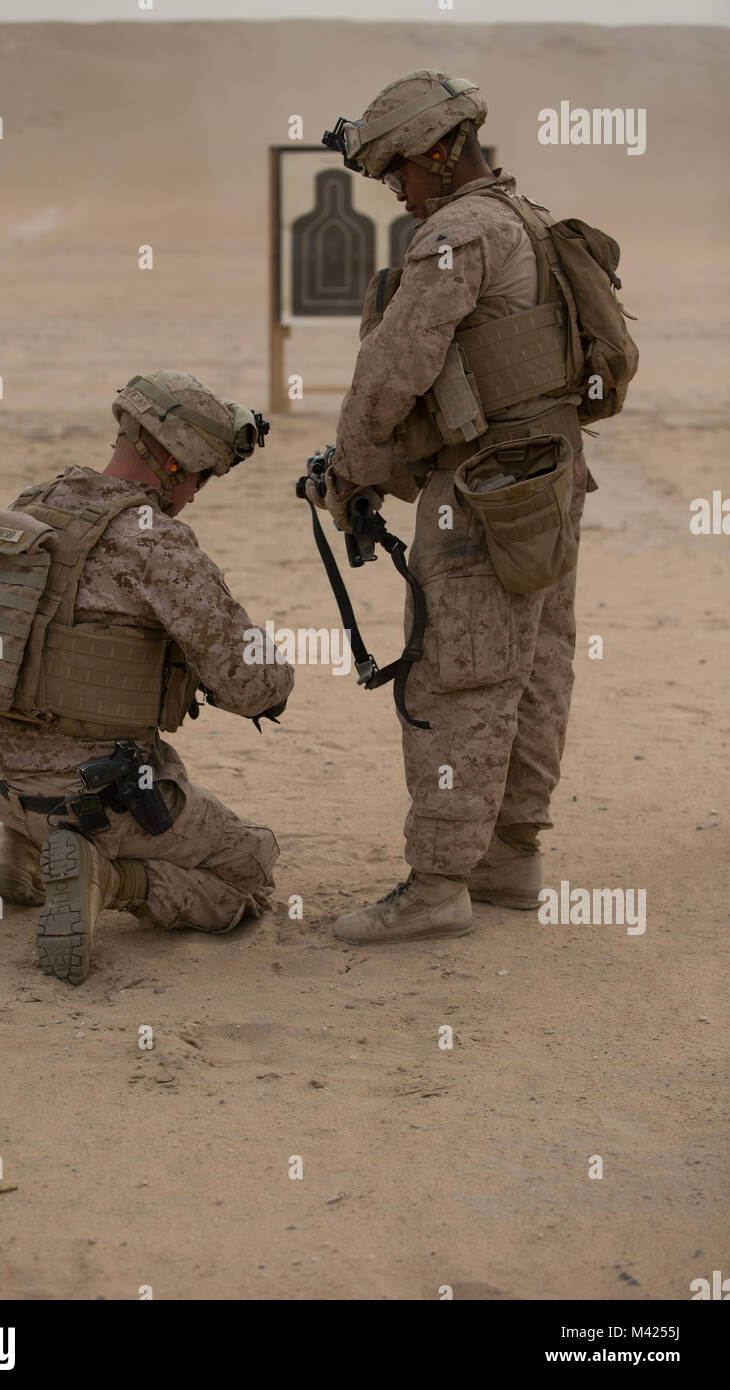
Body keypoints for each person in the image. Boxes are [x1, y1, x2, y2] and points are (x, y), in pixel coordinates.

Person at [311, 71, 604, 945]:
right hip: (548, 481)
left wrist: (349, 473)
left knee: (459, 674)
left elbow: (393, 368)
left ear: (441, 152)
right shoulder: (528, 221)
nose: (397, 191)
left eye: (400, 170)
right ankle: (510, 856)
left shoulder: (458, 233)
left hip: (482, 496)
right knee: (535, 659)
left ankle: (439, 885)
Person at [0, 371, 293, 984]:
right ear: (178, 462)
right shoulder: (160, 545)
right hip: (97, 800)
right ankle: (110, 879)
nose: (198, 494)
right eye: (202, 476)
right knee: (251, 867)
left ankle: (22, 849)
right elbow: (255, 686)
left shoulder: (30, 506)